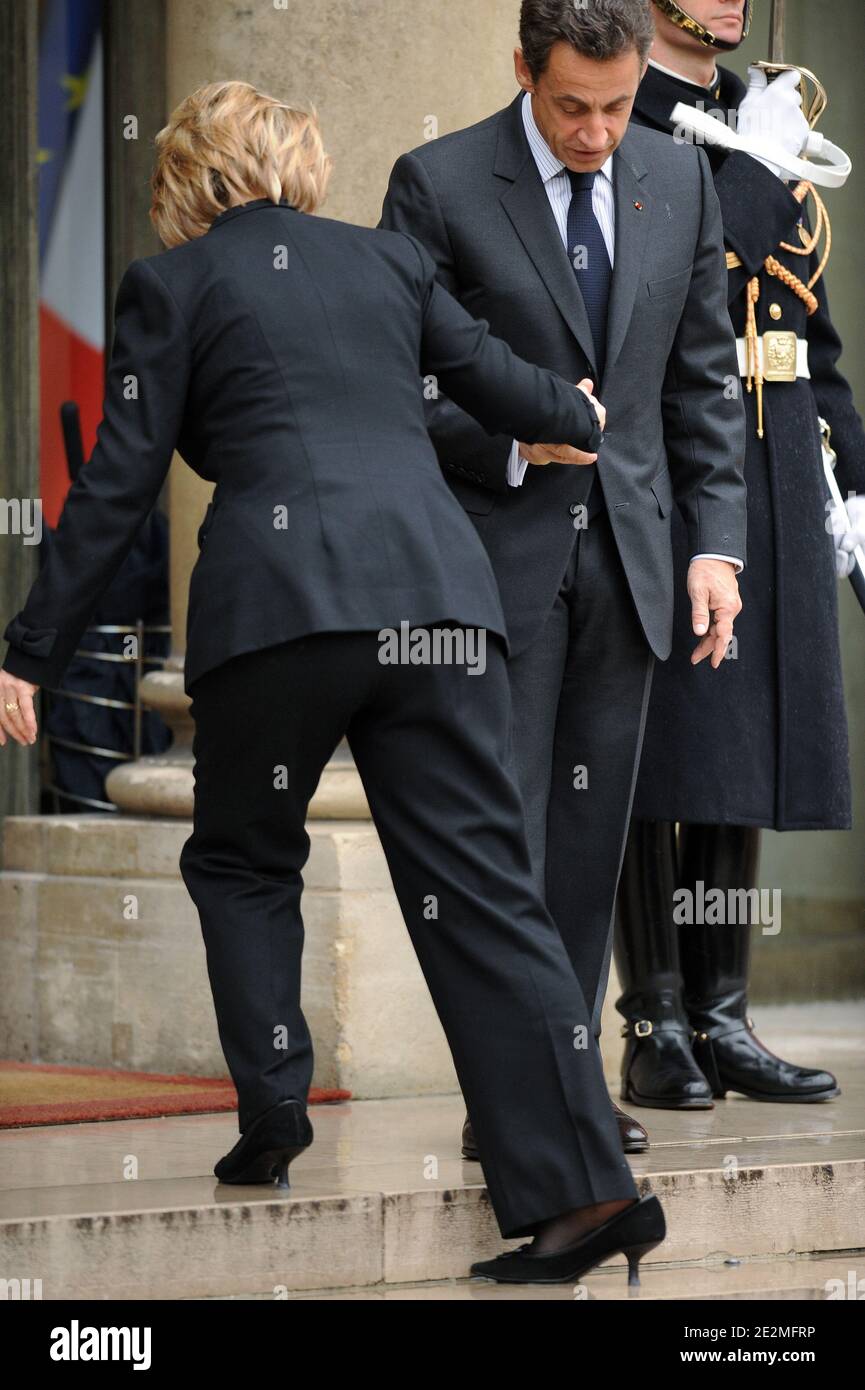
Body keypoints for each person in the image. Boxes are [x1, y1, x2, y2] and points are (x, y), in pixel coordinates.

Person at [0, 79, 666, 1285]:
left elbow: (116, 483)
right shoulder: (386, 263)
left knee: (246, 858)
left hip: (283, 617)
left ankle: (274, 1107)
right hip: (438, 609)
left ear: (186, 180)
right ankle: (586, 1193)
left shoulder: (174, 284)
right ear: (294, 163)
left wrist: (29, 649)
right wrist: (574, 411)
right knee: (484, 892)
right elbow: (501, 381)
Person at [379, 0, 748, 1161]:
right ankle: (510, 1100)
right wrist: (508, 444)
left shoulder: (676, 181)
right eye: (572, 107)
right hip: (493, 572)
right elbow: (397, 389)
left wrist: (713, 548)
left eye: (618, 105)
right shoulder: (436, 183)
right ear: (523, 70)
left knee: (587, 849)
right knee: (504, 851)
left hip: (632, 570)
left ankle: (567, 1093)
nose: (597, 133)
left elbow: (699, 386)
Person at [613, 0, 865, 1109]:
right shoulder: (625, 117)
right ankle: (653, 1015)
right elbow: (657, 297)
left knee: (745, 738)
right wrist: (753, 178)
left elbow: (814, 338)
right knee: (652, 748)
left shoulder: (755, 111)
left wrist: (853, 478)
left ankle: (723, 1017)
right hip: (673, 457)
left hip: (773, 457)